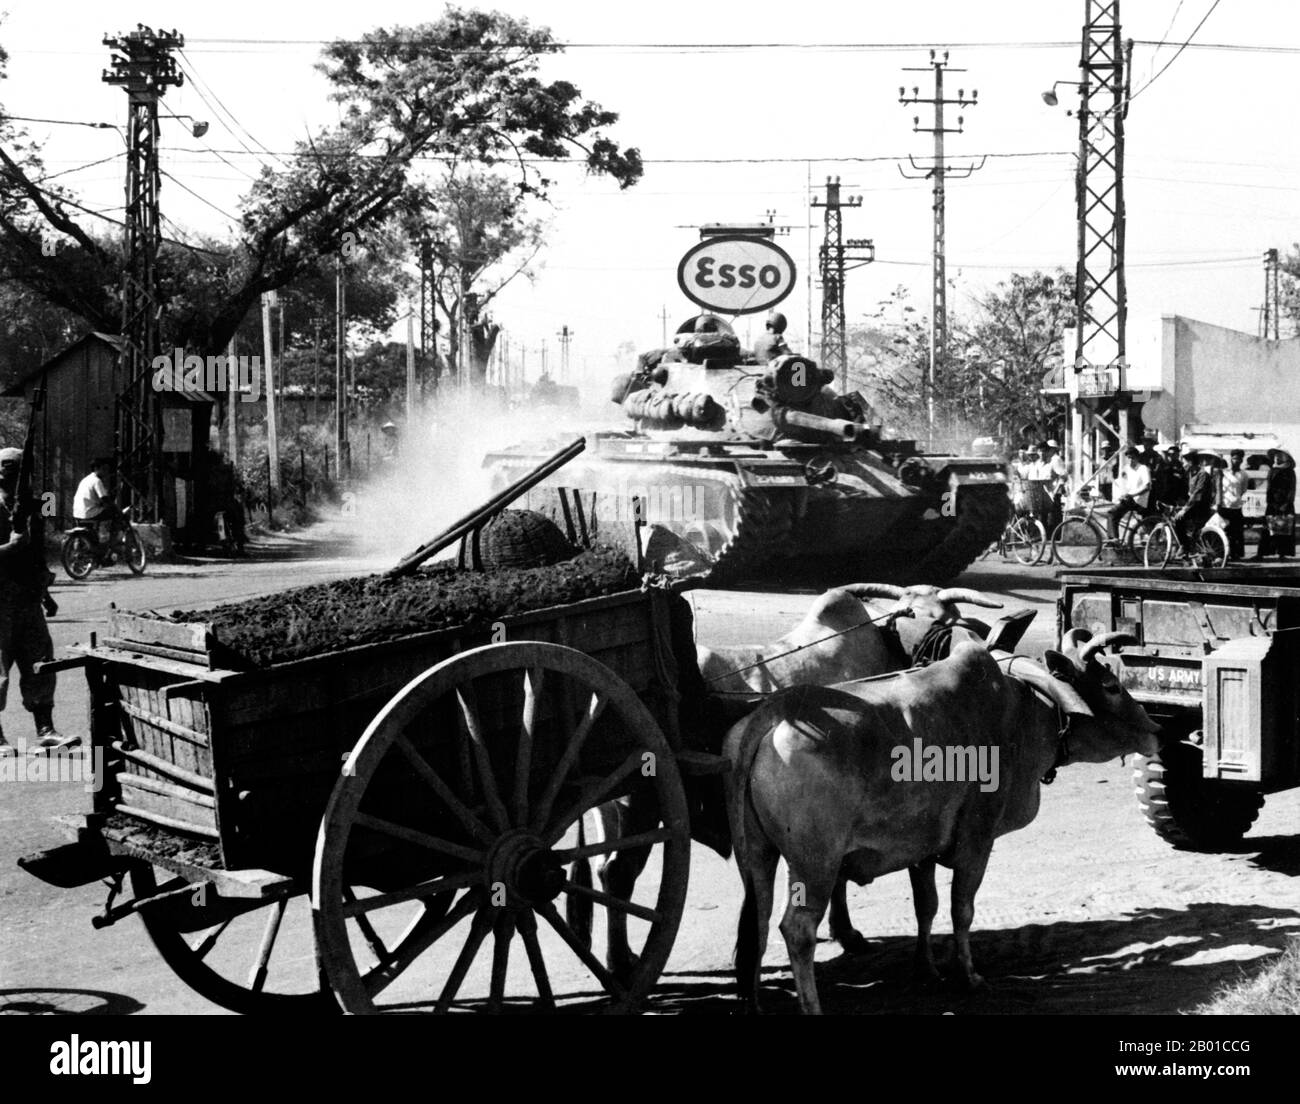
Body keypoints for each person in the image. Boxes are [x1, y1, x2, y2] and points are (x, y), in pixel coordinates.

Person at [0, 446, 65, 751]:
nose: (5, 471)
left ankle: (46, 730)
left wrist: (46, 594)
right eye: (2, 466)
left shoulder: (36, 504)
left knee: (40, 664)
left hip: (28, 600)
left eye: (14, 467)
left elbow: (37, 554)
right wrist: (9, 548)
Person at [1255, 450, 1296, 559]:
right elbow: (1269, 488)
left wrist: (1286, 503)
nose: (1277, 458)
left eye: (1280, 456)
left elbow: (1292, 489)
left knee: (1284, 528)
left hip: (1285, 504)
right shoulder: (1272, 470)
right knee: (1267, 528)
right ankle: (1261, 554)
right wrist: (1269, 501)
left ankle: (1282, 554)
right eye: (1276, 456)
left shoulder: (1290, 472)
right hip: (1272, 504)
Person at [1174, 452, 1216, 552]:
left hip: (1201, 507)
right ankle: (1189, 547)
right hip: (1194, 506)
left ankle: (1184, 546)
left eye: (1184, 462)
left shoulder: (1202, 474)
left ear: (1191, 462)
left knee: (1179, 519)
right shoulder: (1189, 474)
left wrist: (1184, 509)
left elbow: (1197, 493)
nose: (1183, 465)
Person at [1108, 446, 1151, 540]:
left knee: (1112, 513)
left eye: (1133, 458)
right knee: (1115, 513)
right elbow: (1124, 484)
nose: (1131, 460)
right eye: (1129, 458)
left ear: (1137, 458)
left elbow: (1147, 487)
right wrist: (1122, 495)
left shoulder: (1143, 468)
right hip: (1129, 499)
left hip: (1138, 501)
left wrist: (1132, 495)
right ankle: (1114, 539)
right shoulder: (1127, 468)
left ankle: (1114, 539)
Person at [73, 457, 115, 549]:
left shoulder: (85, 480)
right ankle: (105, 539)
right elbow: (104, 498)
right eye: (103, 469)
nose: (105, 472)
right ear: (96, 469)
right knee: (114, 515)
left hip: (77, 513)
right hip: (90, 512)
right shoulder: (97, 481)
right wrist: (113, 507)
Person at [1217, 449, 1249, 560]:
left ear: (1241, 460)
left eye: (1239, 459)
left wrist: (1236, 498)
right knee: (1224, 530)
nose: (1236, 461)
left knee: (1236, 531)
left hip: (1236, 506)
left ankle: (1236, 554)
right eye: (1234, 458)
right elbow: (1218, 487)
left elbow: (1243, 489)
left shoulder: (1244, 474)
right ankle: (1223, 553)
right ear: (1231, 459)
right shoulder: (1223, 472)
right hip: (1224, 505)